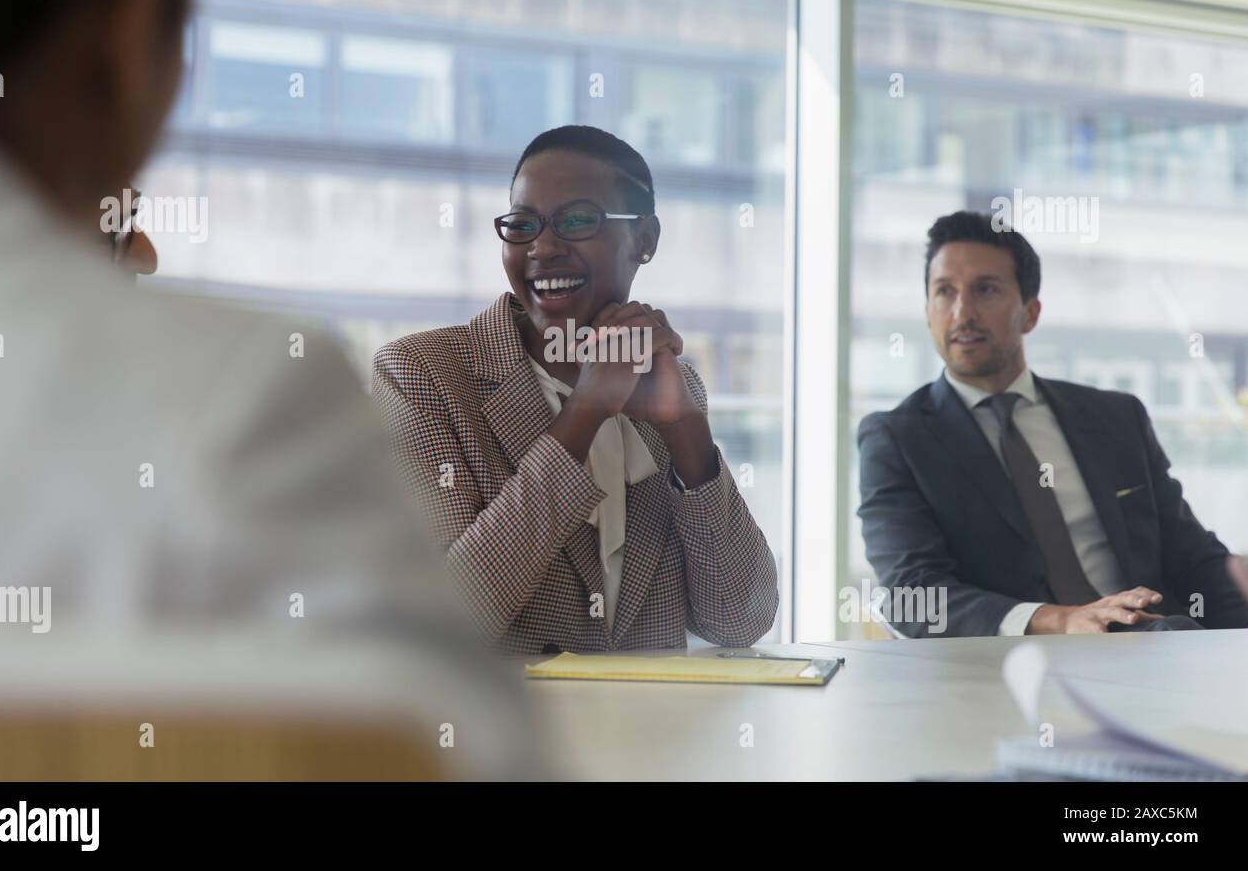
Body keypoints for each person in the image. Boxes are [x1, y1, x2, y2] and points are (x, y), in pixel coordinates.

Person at [0, 0, 531, 778]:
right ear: (134, 29)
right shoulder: (251, 396)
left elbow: (745, 609)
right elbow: (471, 752)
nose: (144, 253)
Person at [373, 125, 778, 653]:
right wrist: (584, 413)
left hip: (656, 734)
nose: (542, 248)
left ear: (646, 239)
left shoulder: (671, 386)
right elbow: (443, 627)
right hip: (504, 735)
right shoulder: (423, 375)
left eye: (578, 220)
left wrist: (686, 432)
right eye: (522, 224)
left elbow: (740, 622)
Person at [857, 211, 1248, 637]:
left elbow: (1195, 558)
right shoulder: (897, 439)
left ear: (1030, 313)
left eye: (985, 290)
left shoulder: (1117, 418)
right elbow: (913, 592)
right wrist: (1059, 619)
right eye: (944, 292)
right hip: (1010, 670)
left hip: (1154, 644)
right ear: (928, 312)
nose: (961, 312)